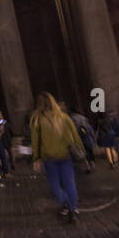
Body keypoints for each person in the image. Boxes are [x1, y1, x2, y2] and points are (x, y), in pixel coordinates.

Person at [29, 92, 83, 223]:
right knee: (70, 183)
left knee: (55, 186)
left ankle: (65, 203)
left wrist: (36, 158)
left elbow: (35, 141)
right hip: (66, 155)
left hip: (49, 157)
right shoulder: (64, 117)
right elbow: (76, 136)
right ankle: (73, 207)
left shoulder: (37, 120)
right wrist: (81, 151)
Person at [66, 105, 97, 173]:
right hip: (86, 137)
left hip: (78, 138)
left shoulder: (71, 118)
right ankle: (92, 164)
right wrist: (93, 136)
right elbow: (88, 127)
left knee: (82, 153)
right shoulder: (83, 117)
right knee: (89, 151)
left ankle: (87, 167)